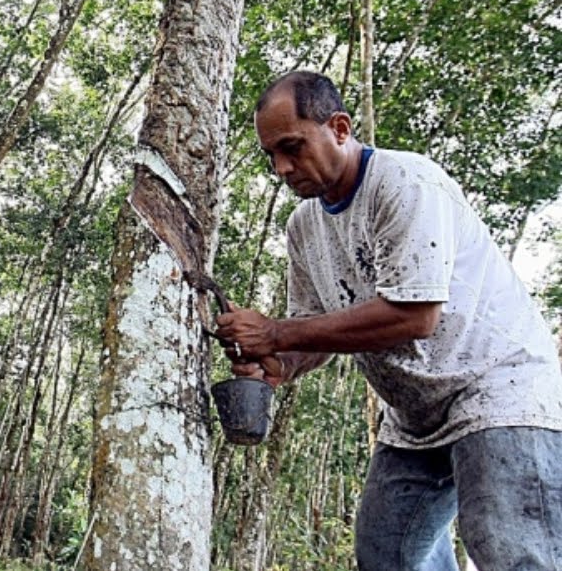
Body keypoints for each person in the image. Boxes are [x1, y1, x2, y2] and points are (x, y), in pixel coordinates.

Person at [215, 70, 562, 570]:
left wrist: (274, 332)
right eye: (271, 155)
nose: (282, 168)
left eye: (292, 147)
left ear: (339, 128)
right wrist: (280, 362)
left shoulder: (404, 182)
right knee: (386, 556)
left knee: (512, 551)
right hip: (414, 417)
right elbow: (314, 328)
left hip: (499, 388)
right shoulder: (303, 226)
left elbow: (415, 315)